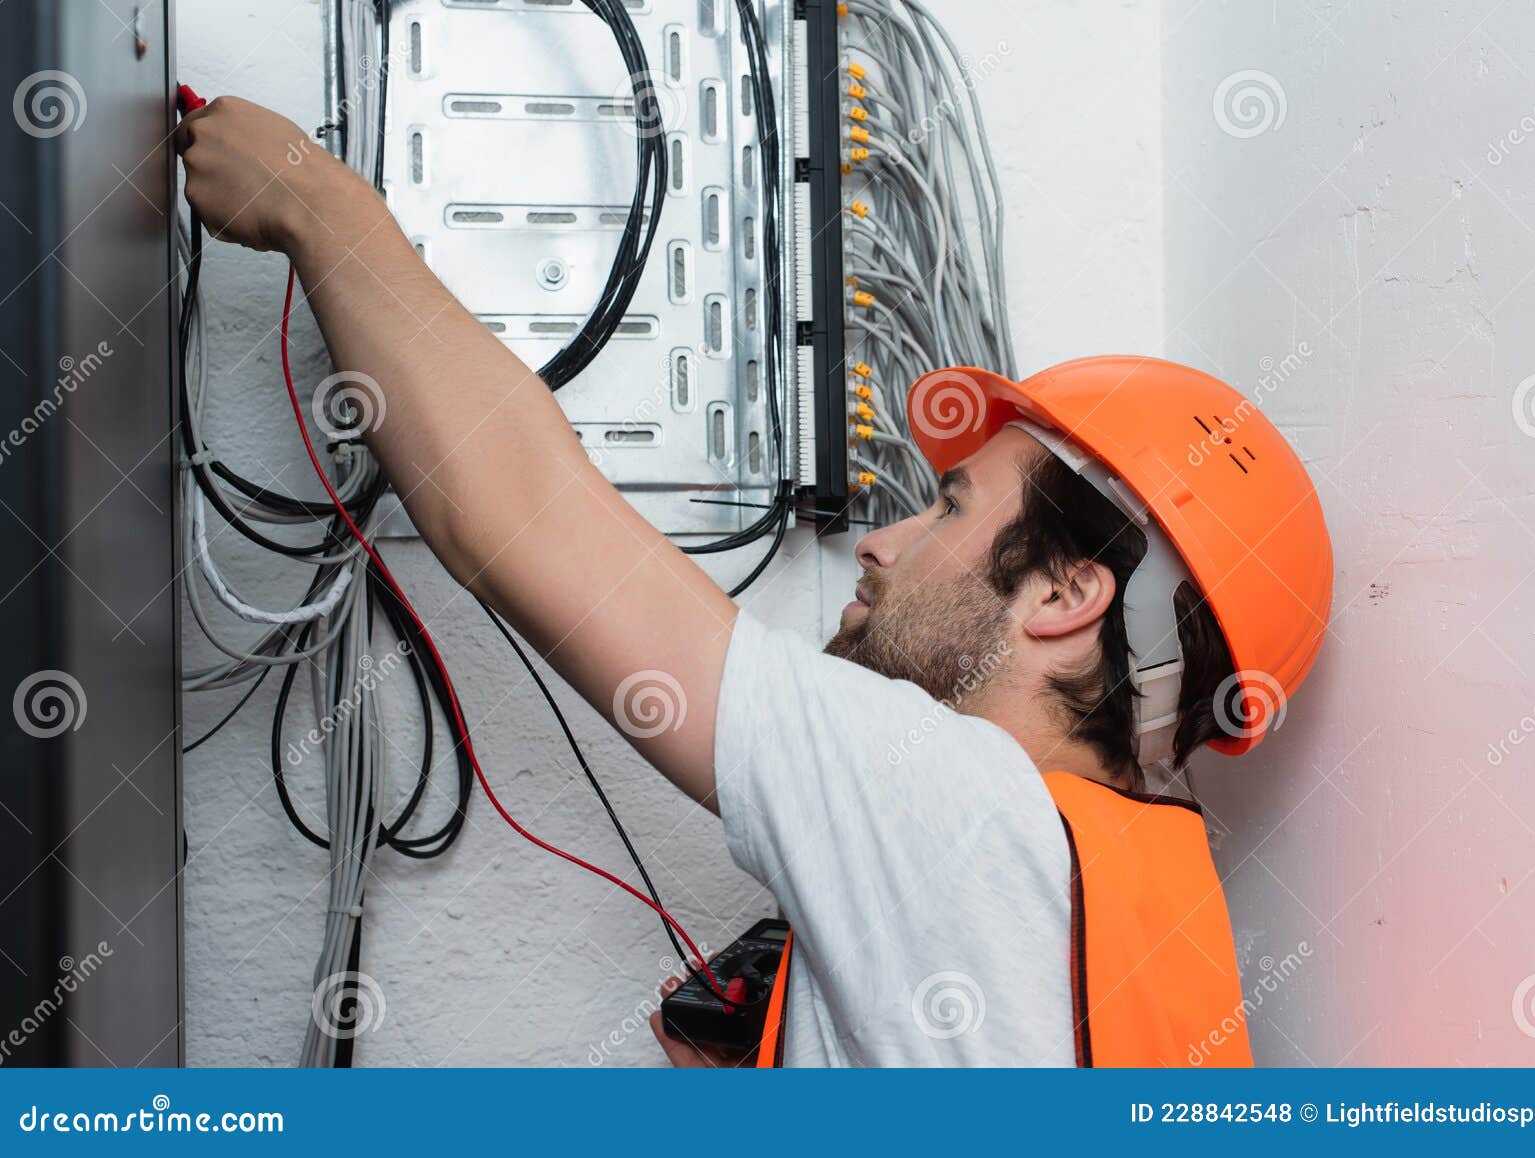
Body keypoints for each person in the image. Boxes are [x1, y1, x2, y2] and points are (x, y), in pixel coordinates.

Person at [176, 97, 1333, 1068]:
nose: (882, 541)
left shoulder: (957, 807)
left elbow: (515, 514)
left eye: (951, 507)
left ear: (1065, 597)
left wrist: (312, 204)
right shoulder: (1157, 897)